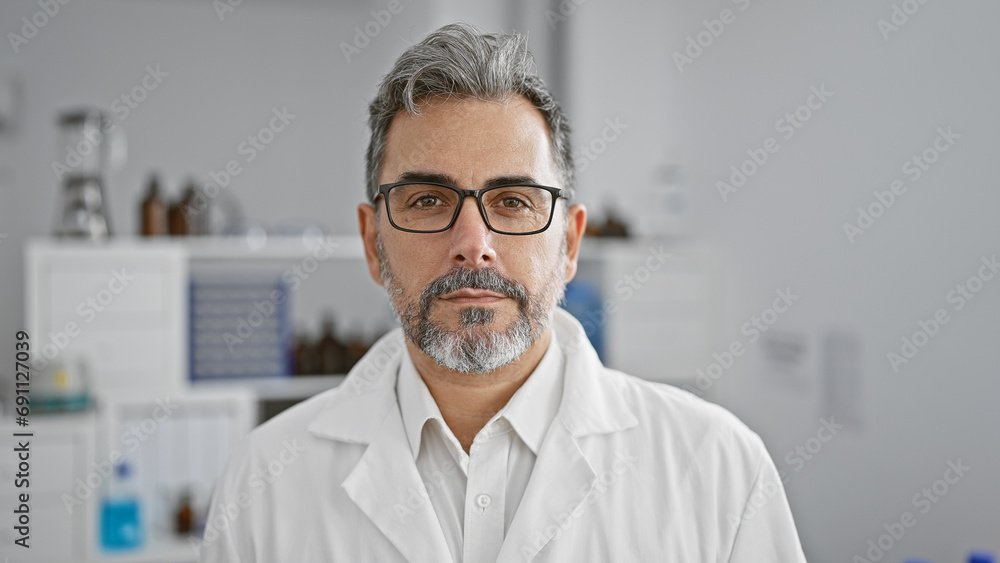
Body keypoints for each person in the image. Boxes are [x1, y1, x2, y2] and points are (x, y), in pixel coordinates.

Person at [199, 22, 807, 562]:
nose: (473, 243)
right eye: (428, 200)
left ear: (568, 245)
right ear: (372, 242)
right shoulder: (264, 482)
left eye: (513, 201)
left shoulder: (719, 469)